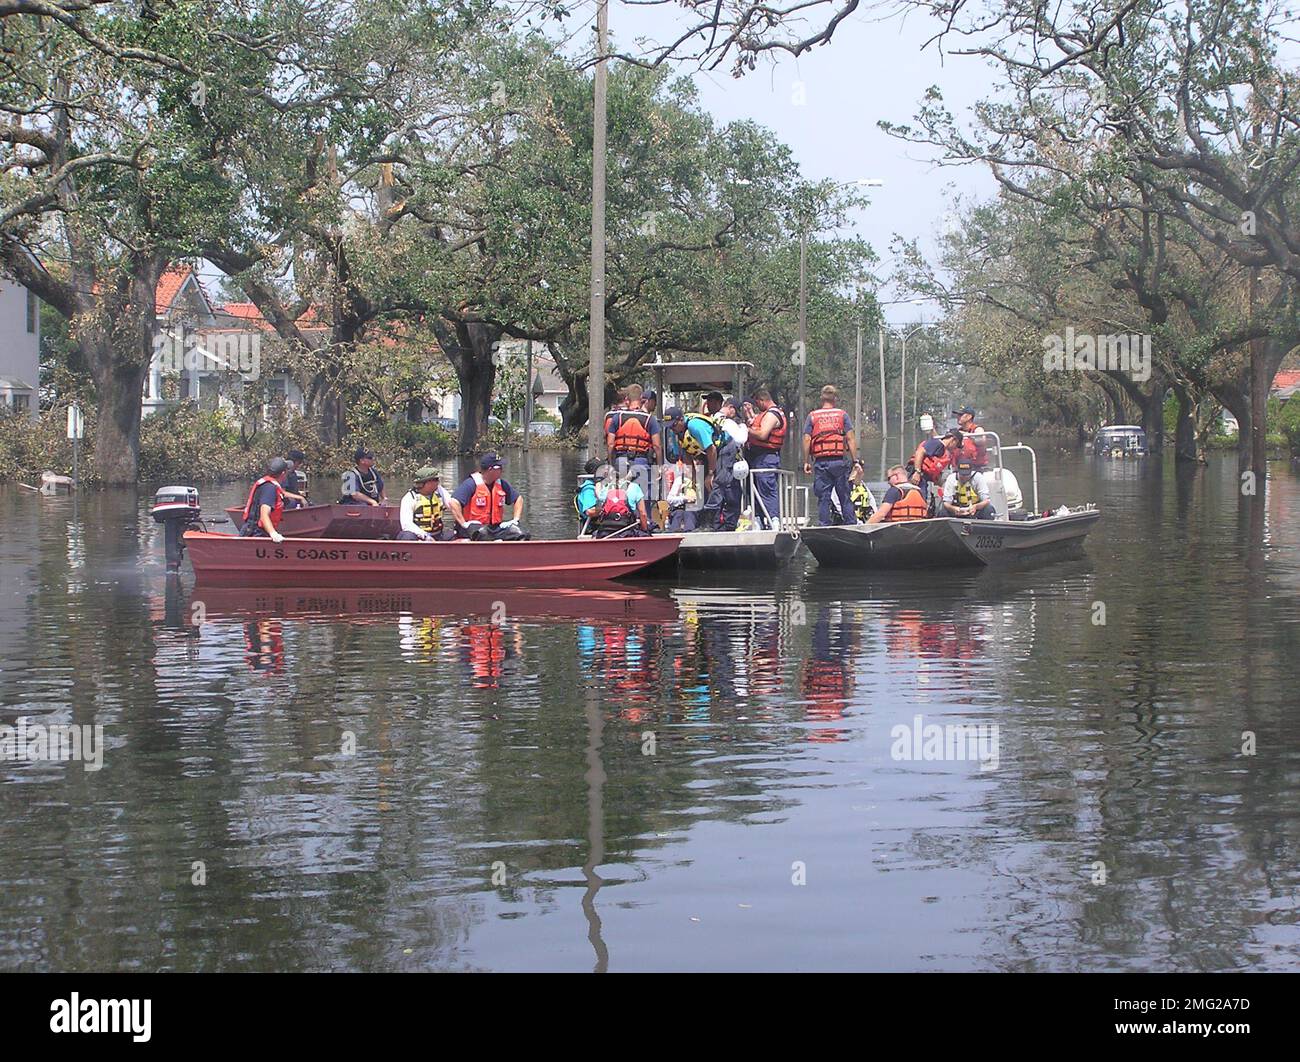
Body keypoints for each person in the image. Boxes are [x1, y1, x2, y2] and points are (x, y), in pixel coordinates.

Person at [802, 385, 862, 526]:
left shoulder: (813, 416)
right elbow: (851, 438)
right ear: (835, 398)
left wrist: (805, 461)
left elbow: (806, 439)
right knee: (845, 496)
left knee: (824, 497)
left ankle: (824, 526)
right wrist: (855, 461)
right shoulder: (842, 415)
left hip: (821, 462)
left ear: (821, 398)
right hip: (839, 461)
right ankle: (851, 524)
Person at [449, 452, 528, 539]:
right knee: (484, 534)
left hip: (494, 528)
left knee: (521, 533)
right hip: (473, 528)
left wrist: (515, 520)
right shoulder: (471, 484)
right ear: (490, 469)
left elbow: (518, 499)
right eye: (499, 467)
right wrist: (464, 524)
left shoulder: (501, 484)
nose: (502, 470)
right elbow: (454, 502)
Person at [664, 404, 719, 522]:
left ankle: (716, 521)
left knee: (714, 484)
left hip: (719, 451)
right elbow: (687, 456)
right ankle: (705, 520)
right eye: (670, 427)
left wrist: (711, 473)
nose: (672, 429)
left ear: (681, 420)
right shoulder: (679, 433)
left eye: (673, 425)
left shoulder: (694, 426)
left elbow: (711, 449)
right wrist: (694, 480)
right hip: (706, 454)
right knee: (702, 486)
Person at [700, 397, 748, 531]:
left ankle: (714, 524)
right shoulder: (727, 422)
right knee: (730, 492)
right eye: (736, 411)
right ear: (731, 408)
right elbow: (741, 439)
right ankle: (725, 525)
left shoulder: (712, 419)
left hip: (718, 460)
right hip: (726, 462)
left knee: (720, 489)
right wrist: (743, 426)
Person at [606, 382, 662, 494]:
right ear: (641, 399)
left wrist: (611, 464)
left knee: (622, 497)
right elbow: (657, 446)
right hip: (641, 462)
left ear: (627, 399)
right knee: (642, 497)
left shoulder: (617, 418)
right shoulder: (650, 419)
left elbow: (610, 445)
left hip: (621, 461)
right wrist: (659, 468)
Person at [743, 389, 786, 528]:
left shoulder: (772, 414)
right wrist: (749, 415)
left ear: (762, 400)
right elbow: (756, 423)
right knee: (755, 489)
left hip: (767, 457)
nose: (757, 406)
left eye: (757, 403)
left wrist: (744, 429)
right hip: (756, 457)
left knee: (767, 489)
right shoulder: (763, 415)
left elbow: (762, 434)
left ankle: (774, 520)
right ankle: (759, 520)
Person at [398, 467, 456, 541]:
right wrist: (425, 536)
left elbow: (452, 504)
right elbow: (406, 525)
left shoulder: (439, 491)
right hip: (418, 536)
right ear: (425, 483)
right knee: (407, 536)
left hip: (438, 535)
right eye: (436, 480)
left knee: (453, 535)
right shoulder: (409, 498)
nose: (438, 482)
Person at [239, 457, 289, 541]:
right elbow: (264, 515)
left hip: (257, 531)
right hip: (256, 533)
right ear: (283, 474)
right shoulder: (270, 488)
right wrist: (273, 534)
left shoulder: (269, 485)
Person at [592, 468, 652, 537]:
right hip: (627, 530)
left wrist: (598, 482)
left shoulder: (606, 488)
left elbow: (599, 500)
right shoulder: (635, 487)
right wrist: (644, 530)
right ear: (629, 473)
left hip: (607, 530)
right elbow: (643, 513)